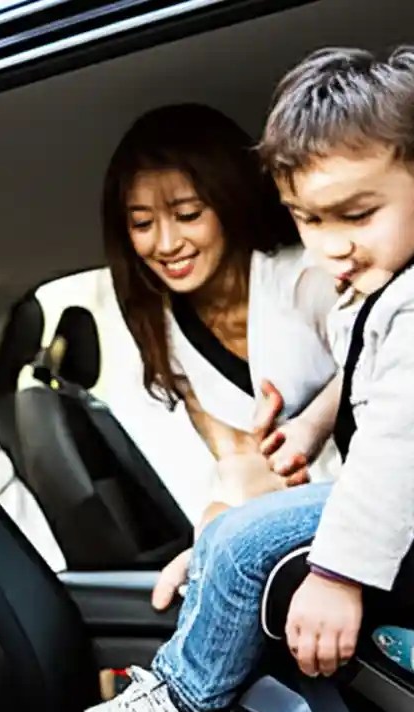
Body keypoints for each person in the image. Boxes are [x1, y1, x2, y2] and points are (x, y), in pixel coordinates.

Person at [83, 46, 414, 712]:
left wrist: (337, 574)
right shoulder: (396, 270)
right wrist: (309, 425)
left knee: (243, 545)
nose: (330, 246)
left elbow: (401, 435)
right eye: (307, 219)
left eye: (355, 216)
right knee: (226, 536)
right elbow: (362, 388)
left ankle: (182, 697)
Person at [101, 103, 341, 607]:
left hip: (381, 515)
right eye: (142, 223)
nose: (166, 243)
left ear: (229, 202)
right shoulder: (168, 332)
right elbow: (239, 462)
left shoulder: (306, 280)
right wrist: (206, 542)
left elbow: (388, 364)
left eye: (188, 215)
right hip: (300, 540)